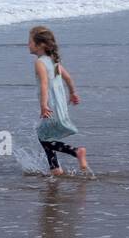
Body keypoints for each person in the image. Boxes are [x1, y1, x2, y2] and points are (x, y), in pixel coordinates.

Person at [28, 25, 90, 176]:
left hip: (51, 105)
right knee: (45, 135)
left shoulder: (40, 63)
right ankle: (55, 169)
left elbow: (44, 84)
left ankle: (76, 152)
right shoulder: (53, 61)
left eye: (30, 42)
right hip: (60, 104)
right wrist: (73, 93)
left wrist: (43, 105)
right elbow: (68, 78)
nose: (28, 45)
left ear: (40, 45)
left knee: (43, 136)